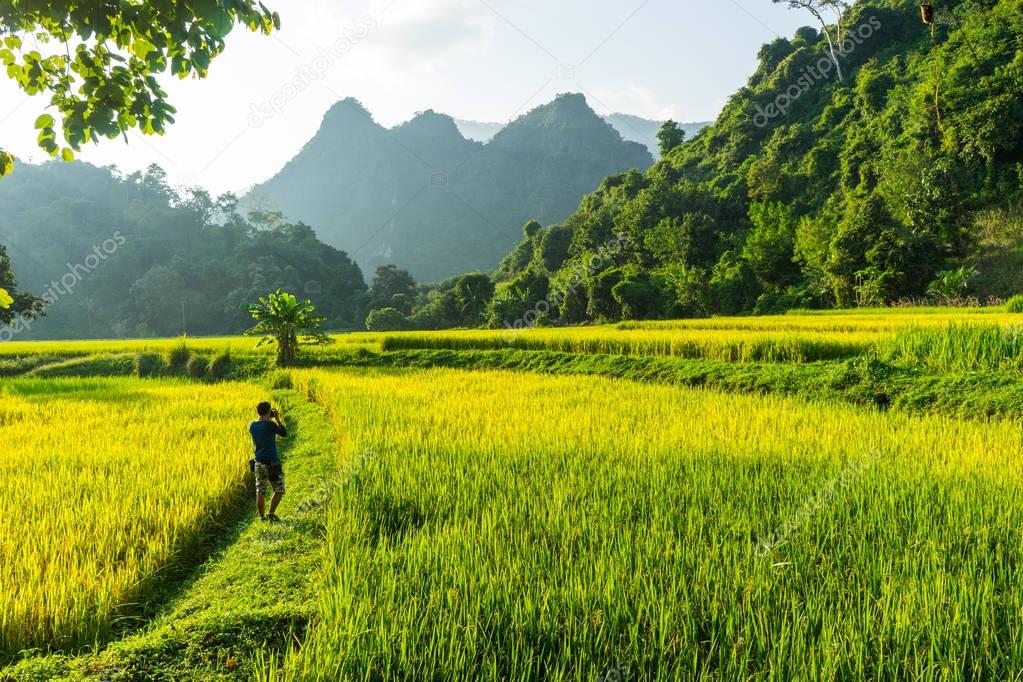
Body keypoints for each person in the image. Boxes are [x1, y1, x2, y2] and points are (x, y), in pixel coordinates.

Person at [249, 401, 287, 522]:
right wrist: (277, 418)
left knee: (260, 490)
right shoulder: (270, 424)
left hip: (258, 463)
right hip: (272, 463)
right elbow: (284, 433)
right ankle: (270, 514)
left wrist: (269, 417)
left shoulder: (251, 425)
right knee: (279, 489)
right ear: (268, 411)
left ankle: (262, 517)